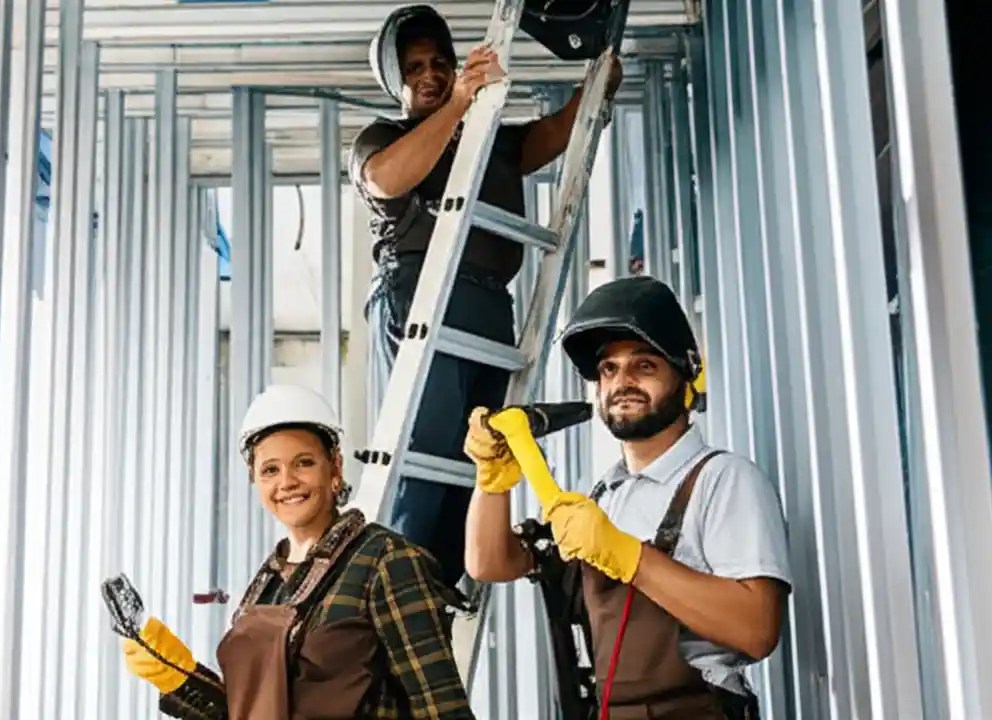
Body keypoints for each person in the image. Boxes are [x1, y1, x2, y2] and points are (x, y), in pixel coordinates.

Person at [351, 3, 623, 587]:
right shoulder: (386, 136)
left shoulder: (488, 141)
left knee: (477, 451)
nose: (430, 74)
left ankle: (442, 584)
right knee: (426, 451)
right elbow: (384, 179)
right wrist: (458, 103)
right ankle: (401, 586)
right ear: (394, 81)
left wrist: (598, 84)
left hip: (488, 305)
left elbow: (557, 132)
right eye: (414, 67)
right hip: (423, 297)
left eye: (440, 63)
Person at [463, 276, 791, 719]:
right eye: (608, 370)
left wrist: (629, 556)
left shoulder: (723, 481)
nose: (623, 382)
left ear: (687, 375)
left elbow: (757, 629)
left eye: (645, 366)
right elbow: (491, 564)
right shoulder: (604, 494)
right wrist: (492, 482)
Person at [119, 383, 476, 719]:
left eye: (304, 463)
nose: (287, 482)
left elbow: (443, 708)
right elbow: (252, 709)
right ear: (255, 480)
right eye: (270, 470)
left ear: (335, 467)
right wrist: (180, 678)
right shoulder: (268, 582)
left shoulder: (386, 561)